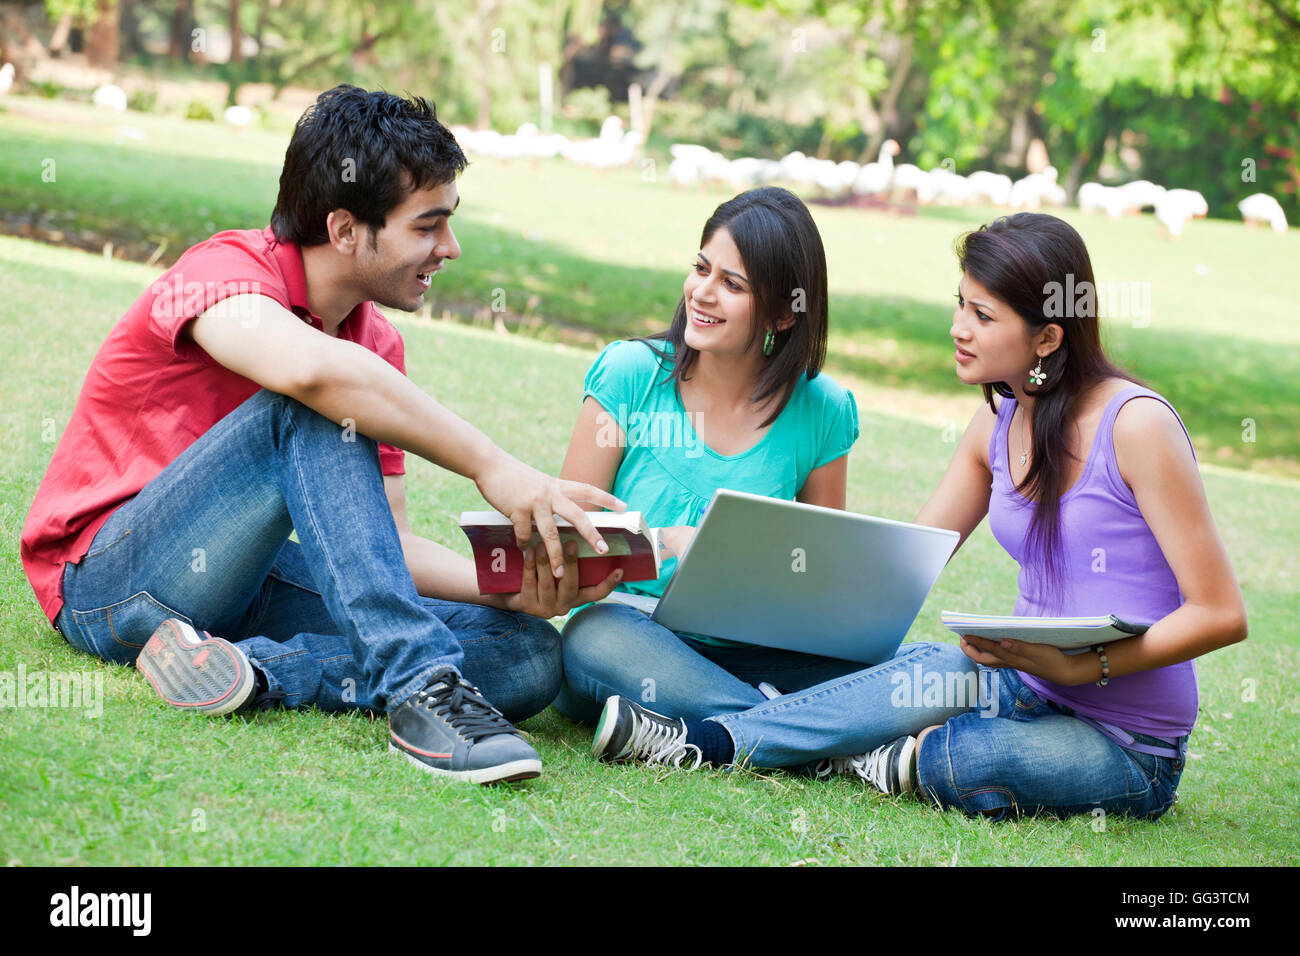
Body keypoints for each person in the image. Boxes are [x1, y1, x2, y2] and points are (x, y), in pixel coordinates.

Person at [19, 85, 623, 786]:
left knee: (523, 651)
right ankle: (419, 691)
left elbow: (386, 545)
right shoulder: (222, 273)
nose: (450, 249)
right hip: (110, 585)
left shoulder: (372, 344)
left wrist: (506, 588)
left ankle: (253, 671)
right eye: (428, 226)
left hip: (241, 588)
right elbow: (309, 374)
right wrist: (494, 466)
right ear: (343, 230)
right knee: (314, 407)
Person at [834, 212, 1248, 819]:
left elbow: (1221, 613)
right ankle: (737, 736)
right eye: (960, 304)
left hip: (1128, 743)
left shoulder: (1138, 425)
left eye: (982, 315)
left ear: (1048, 338)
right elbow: (910, 559)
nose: (958, 328)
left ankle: (883, 752)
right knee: (891, 675)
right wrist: (806, 604)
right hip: (1022, 688)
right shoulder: (995, 424)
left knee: (961, 760)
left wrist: (1085, 668)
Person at [553, 186, 978, 773]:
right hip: (639, 639)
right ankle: (820, 738)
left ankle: (722, 736)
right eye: (701, 268)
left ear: (784, 313)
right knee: (591, 637)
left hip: (763, 654)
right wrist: (664, 542)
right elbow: (568, 548)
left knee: (952, 671)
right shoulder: (631, 374)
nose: (703, 292)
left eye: (733, 284)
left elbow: (817, 579)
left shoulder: (823, 409)